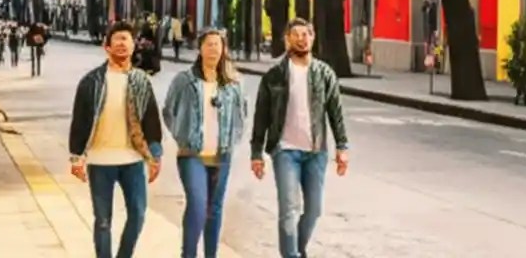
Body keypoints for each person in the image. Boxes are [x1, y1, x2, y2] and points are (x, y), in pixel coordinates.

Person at [250, 19, 349, 258]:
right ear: (287, 39)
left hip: (316, 151)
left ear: (312, 38)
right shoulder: (274, 76)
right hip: (284, 150)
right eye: (295, 34)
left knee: (314, 210)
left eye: (306, 34)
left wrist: (342, 146)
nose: (301, 38)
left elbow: (336, 112)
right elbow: (261, 117)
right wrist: (256, 154)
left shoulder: (325, 74)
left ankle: (298, 249)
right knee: (289, 209)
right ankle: (291, 254)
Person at [68, 22, 164, 258]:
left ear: (133, 47)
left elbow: (151, 121)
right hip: (100, 162)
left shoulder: (141, 81)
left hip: (132, 160)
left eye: (127, 39)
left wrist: (155, 155)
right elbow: (79, 121)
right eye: (117, 39)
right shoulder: (91, 82)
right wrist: (76, 157)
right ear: (107, 47)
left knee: (139, 214)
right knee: (102, 220)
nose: (122, 44)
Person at [163, 29, 246, 258]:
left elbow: (241, 115)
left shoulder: (232, 83)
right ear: (200, 49)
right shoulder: (185, 80)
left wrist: (231, 139)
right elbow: (169, 111)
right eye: (208, 45)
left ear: (223, 49)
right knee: (198, 205)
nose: (213, 49)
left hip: (222, 154)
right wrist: (183, 136)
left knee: (214, 209)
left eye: (217, 45)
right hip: (192, 155)